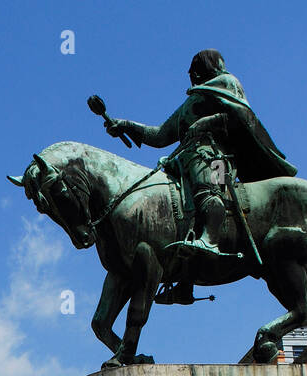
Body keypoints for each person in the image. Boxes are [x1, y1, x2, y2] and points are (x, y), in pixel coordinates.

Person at [104, 49, 296, 303]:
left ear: (205, 67)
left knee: (207, 190)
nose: (192, 76)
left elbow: (242, 117)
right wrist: (127, 125)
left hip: (216, 157)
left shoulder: (227, 83)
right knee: (177, 212)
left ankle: (211, 240)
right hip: (184, 161)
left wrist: (208, 122)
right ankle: (185, 282)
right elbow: (160, 135)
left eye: (196, 70)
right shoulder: (190, 103)